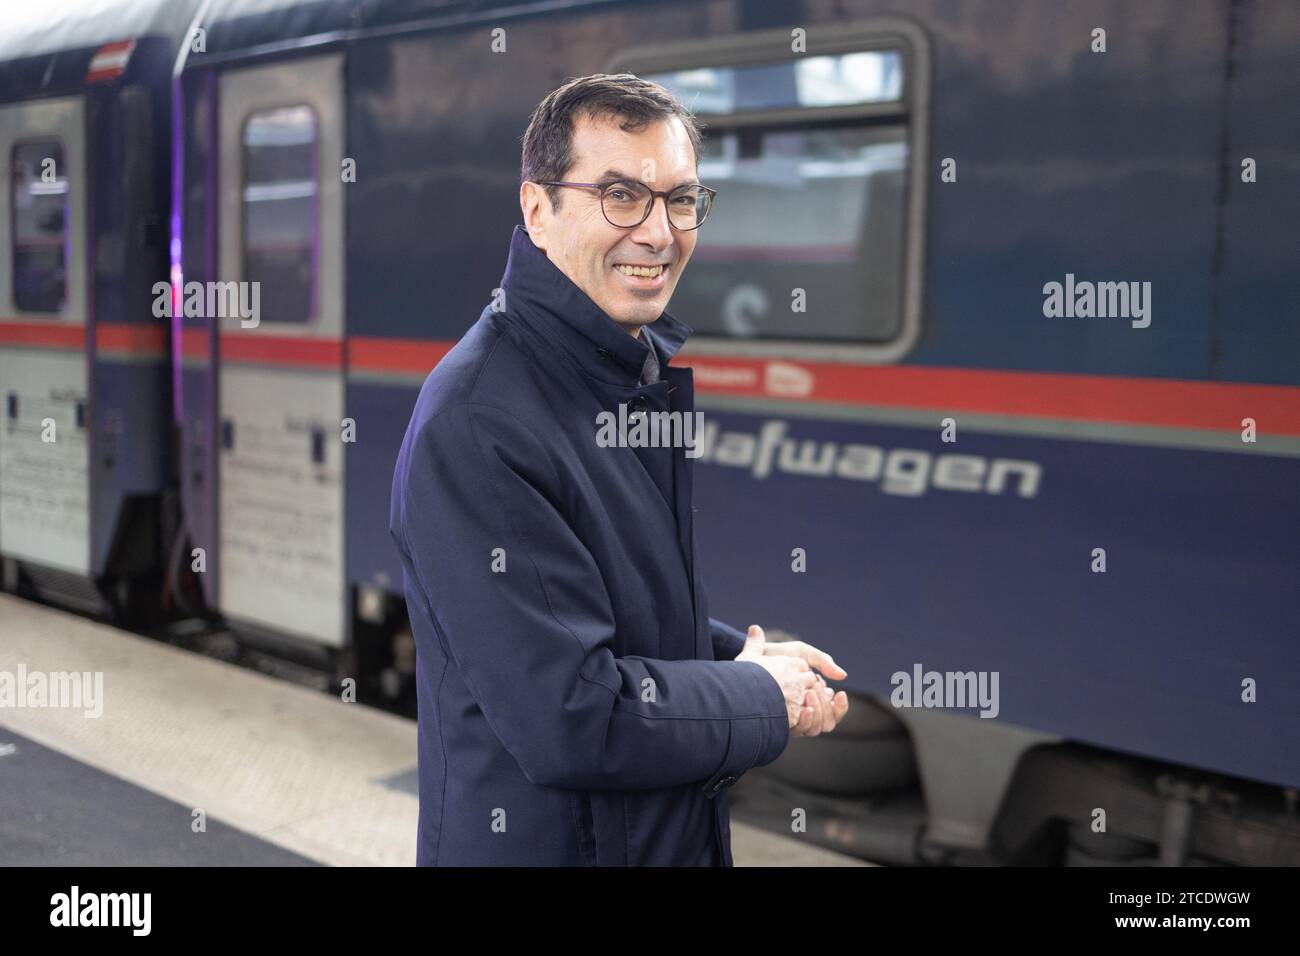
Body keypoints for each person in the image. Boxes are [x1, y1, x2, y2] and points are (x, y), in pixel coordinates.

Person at [389, 73, 848, 867]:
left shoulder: (613, 372)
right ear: (538, 211)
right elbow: (576, 715)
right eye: (620, 195)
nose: (659, 232)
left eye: (680, 198)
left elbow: (599, 605)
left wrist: (737, 658)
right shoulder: (480, 422)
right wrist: (761, 698)